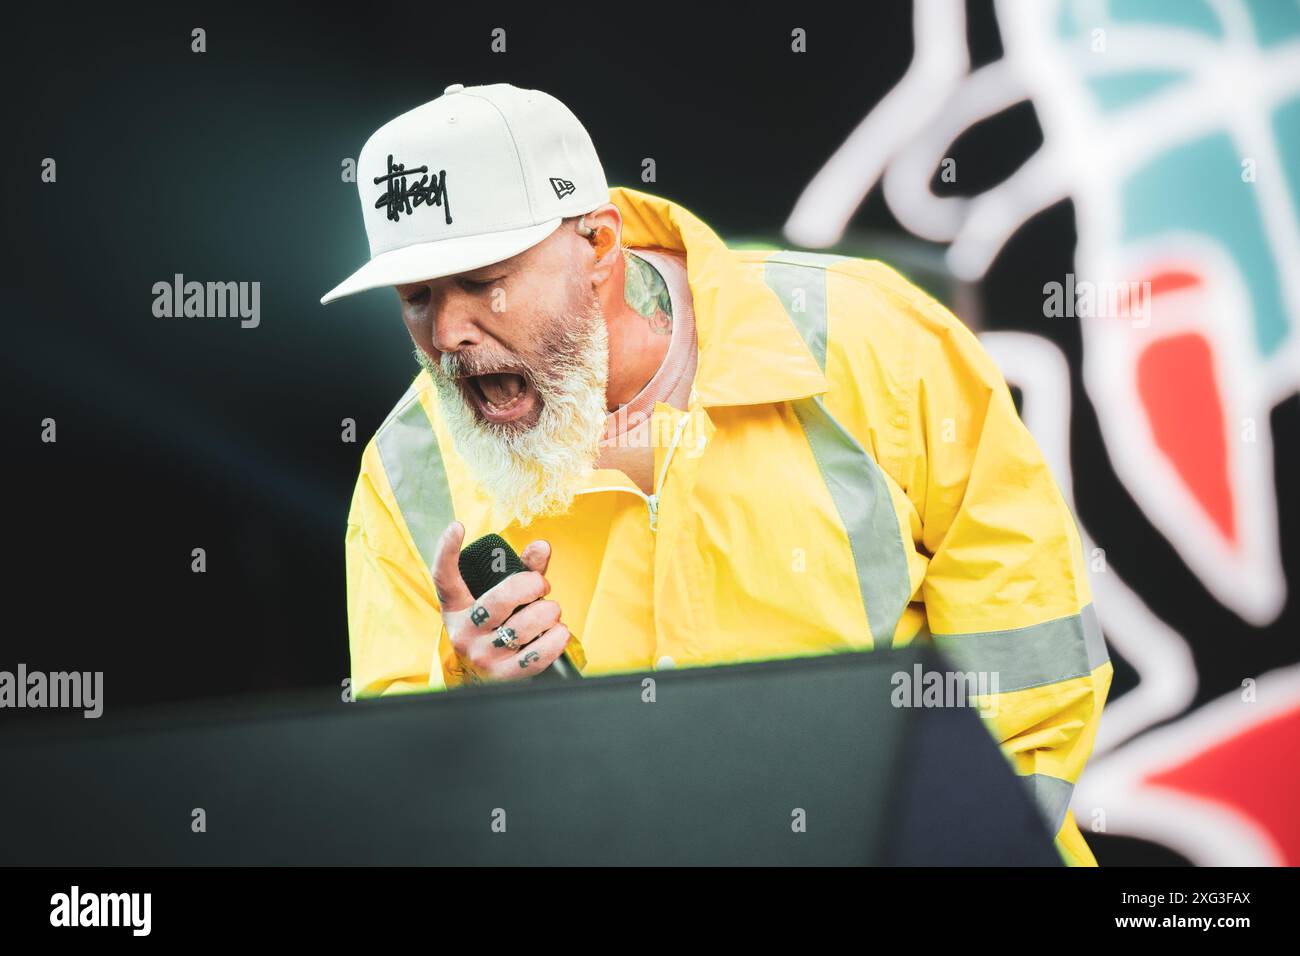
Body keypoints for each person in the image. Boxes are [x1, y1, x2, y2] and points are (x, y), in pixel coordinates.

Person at [322, 82, 1112, 866]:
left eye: (482, 282)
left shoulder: (873, 340)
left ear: (598, 247)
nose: (450, 333)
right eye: (417, 297)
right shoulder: (408, 470)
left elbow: (1033, 671)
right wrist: (474, 702)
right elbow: (413, 803)